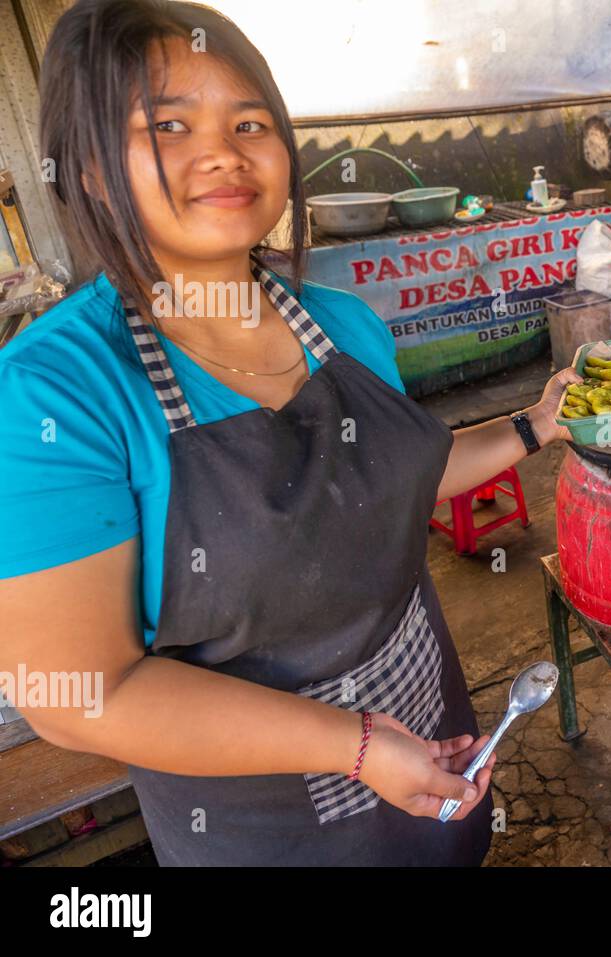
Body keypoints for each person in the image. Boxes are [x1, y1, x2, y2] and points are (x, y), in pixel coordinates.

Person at [0, 0, 580, 865]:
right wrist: (349, 744)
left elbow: (395, 476)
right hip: (257, 818)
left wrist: (535, 427)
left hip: (428, 711)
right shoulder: (57, 391)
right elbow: (79, 695)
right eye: (167, 125)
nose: (223, 152)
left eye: (249, 121)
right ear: (87, 168)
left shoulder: (344, 323)